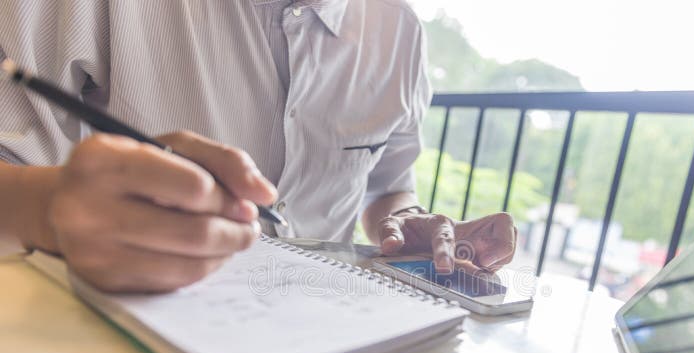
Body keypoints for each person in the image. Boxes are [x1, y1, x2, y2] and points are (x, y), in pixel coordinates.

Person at [0, 0, 516, 292]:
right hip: (140, 318)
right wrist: (45, 207)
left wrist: (404, 222)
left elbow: (387, 185)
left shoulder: (400, 29)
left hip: (333, 328)